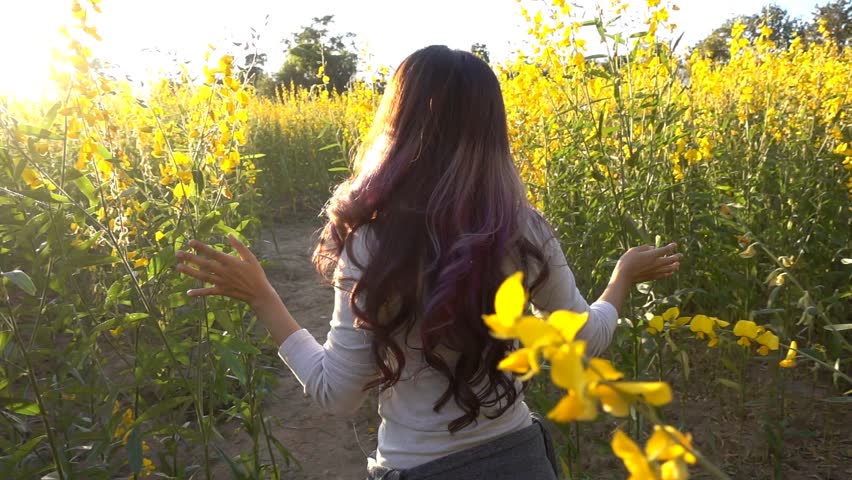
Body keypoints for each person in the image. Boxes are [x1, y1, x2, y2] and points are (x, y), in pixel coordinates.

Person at [175, 45, 681, 479]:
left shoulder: (373, 243)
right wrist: (622, 278)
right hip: (521, 459)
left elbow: (336, 395)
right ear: (493, 133)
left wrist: (263, 298)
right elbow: (585, 338)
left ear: (398, 124)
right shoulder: (525, 229)